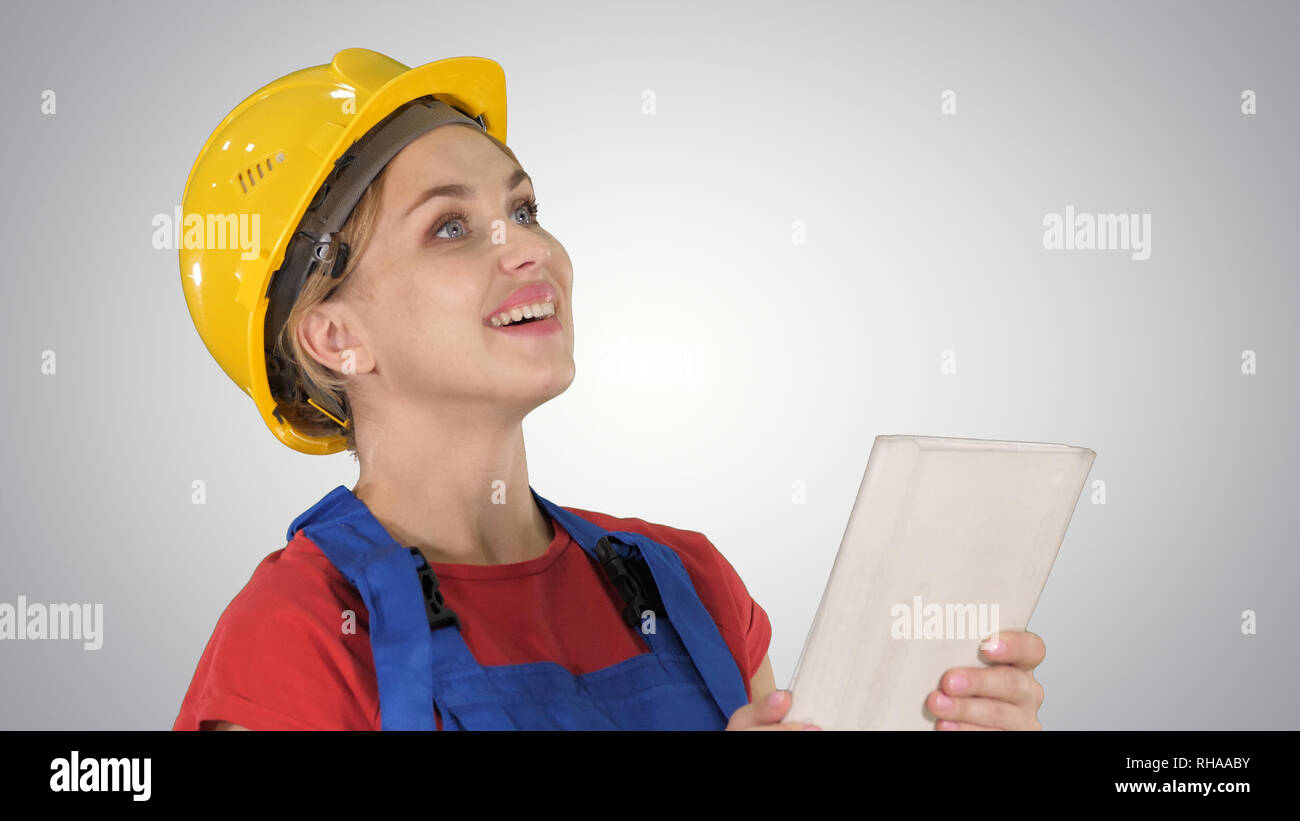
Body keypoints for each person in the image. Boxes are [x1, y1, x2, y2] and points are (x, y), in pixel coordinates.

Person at [172, 48, 1047, 731]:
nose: (531, 250)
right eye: (450, 227)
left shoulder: (687, 586)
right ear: (336, 335)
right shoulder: (299, 633)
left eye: (523, 209)